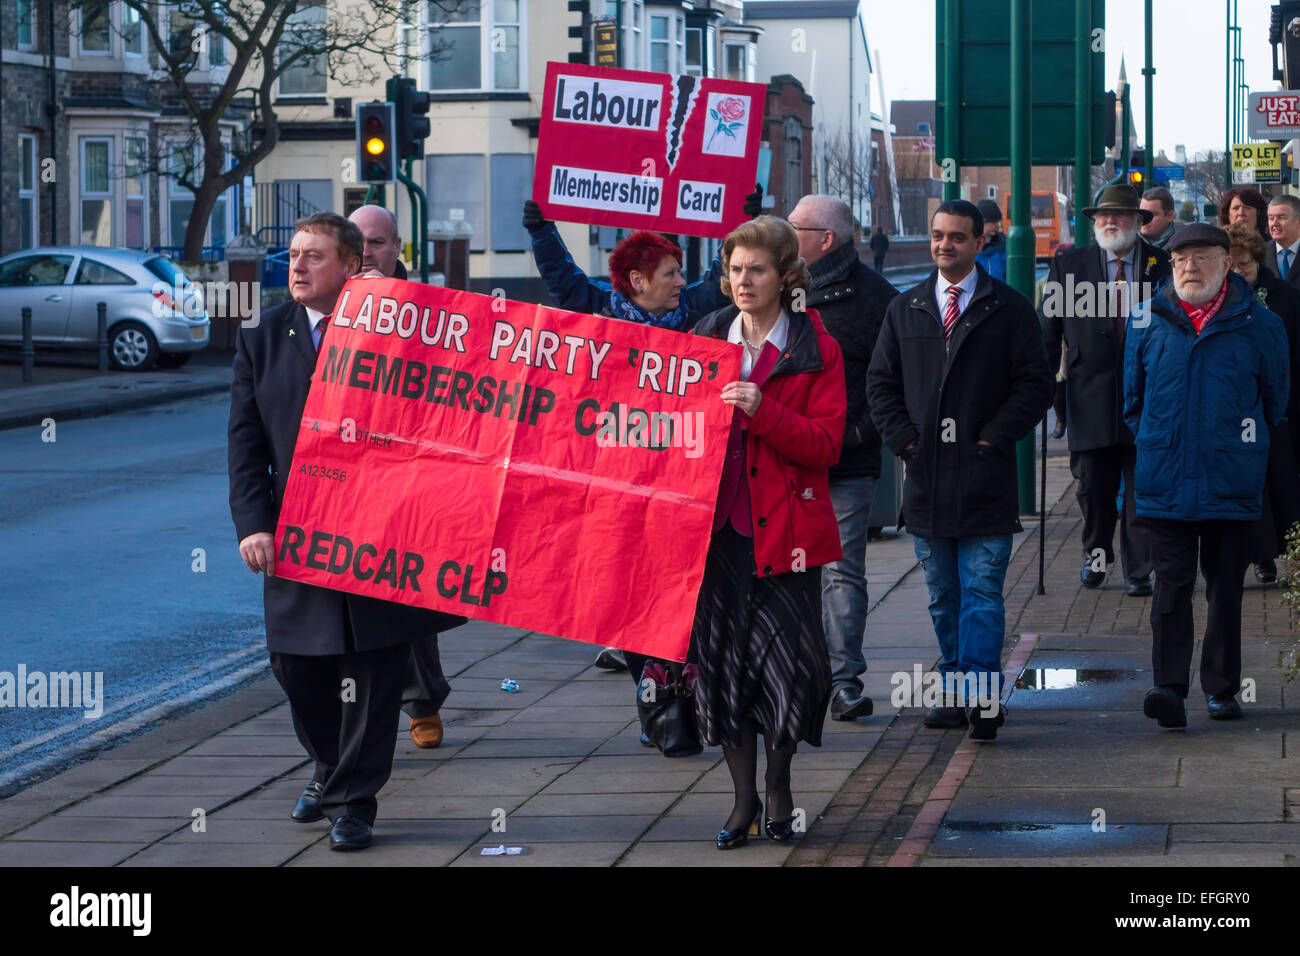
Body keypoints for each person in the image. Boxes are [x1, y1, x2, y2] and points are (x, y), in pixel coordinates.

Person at [227, 213, 464, 850]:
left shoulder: (401, 334)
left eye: (314, 256)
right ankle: (330, 769)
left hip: (381, 534)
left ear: (352, 267)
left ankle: (354, 802)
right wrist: (254, 525)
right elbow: (245, 444)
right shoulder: (262, 337)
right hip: (297, 535)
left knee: (375, 668)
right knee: (296, 667)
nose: (297, 266)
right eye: (294, 254)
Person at [867, 199, 1052, 740]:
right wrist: (905, 444)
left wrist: (994, 437)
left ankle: (979, 694)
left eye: (956, 237)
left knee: (982, 591)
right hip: (926, 481)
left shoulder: (1009, 309)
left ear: (978, 243)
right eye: (937, 236)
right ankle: (954, 686)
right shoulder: (907, 309)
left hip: (985, 481)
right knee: (943, 596)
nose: (944, 245)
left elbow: (1036, 385)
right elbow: (880, 385)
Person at [688, 216, 845, 848]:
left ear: (785, 275)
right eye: (735, 269)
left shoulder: (816, 347)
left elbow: (827, 444)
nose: (744, 280)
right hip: (717, 537)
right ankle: (742, 800)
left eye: (757, 269)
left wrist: (764, 409)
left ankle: (779, 789)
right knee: (725, 668)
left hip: (786, 536)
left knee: (793, 669)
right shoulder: (701, 339)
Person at [1124, 223, 1289, 727]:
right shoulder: (1145, 320)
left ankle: (1221, 690)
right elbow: (1132, 402)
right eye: (1180, 260)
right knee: (1170, 588)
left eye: (1200, 258)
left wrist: (1239, 445)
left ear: (1224, 263)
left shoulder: (1261, 325)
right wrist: (1161, 439)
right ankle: (1168, 689)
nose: (1189, 267)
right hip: (1166, 479)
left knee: (1224, 590)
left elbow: (1274, 403)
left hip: (1229, 479)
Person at [788, 194, 898, 721]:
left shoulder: (876, 300)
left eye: (795, 227)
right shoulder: (775, 286)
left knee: (840, 569)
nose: (786, 235)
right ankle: (793, 670)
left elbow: (896, 381)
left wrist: (859, 434)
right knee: (785, 568)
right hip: (783, 457)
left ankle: (843, 680)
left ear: (825, 240)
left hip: (845, 462)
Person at [348, 203, 453, 750]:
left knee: (408, 591)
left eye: (378, 243)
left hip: (408, 473)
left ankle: (421, 700)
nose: (367, 252)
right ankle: (359, 718)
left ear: (396, 250)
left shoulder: (429, 310)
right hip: (345, 476)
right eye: (358, 242)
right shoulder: (329, 303)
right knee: (351, 602)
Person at [1040, 183, 1171, 597]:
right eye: (1103, 216)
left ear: (1138, 222)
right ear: (1094, 222)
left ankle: (1138, 571)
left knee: (1142, 490)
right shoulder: (1069, 266)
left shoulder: (1162, 265)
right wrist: (1042, 387)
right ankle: (1095, 558)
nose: (1111, 221)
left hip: (1149, 399)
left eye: (1120, 215)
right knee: (1093, 492)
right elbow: (1048, 332)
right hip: (1088, 398)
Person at [1225, 221, 1300, 585]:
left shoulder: (1283, 296)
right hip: (1235, 410)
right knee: (1244, 486)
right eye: (1232, 265)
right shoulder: (1219, 298)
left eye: (1245, 265)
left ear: (1258, 261)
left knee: (1278, 482)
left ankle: (1274, 553)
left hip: (1277, 408)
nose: (1239, 272)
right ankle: (1254, 556)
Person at [1266, 194, 1300, 291]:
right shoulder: (1260, 253)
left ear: (1298, 222)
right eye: (1271, 218)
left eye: (1281, 217)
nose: (1274, 223)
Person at [974, 199, 1007, 280]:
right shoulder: (968, 247)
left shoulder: (1004, 246)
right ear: (981, 222)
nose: (997, 226)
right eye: (993, 222)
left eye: (997, 222)